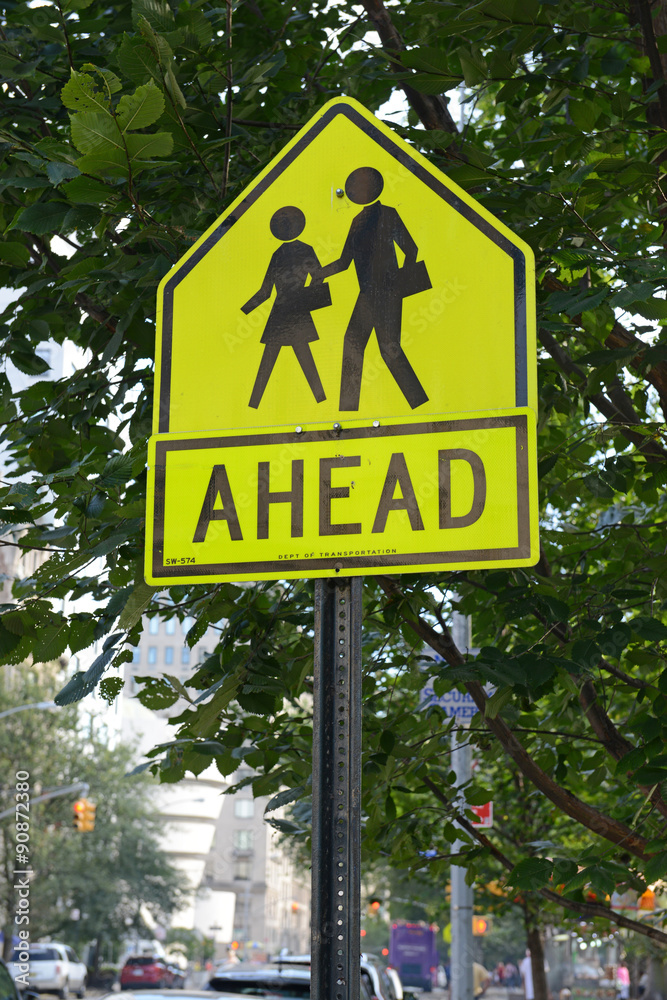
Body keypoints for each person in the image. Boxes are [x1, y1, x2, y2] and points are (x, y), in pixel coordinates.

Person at [320, 166, 431, 411]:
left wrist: (400, 283)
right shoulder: (356, 222)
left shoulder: (389, 214)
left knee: (389, 349)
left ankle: (421, 405)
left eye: (362, 185)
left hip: (388, 290)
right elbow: (344, 262)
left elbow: (410, 249)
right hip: (367, 293)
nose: (357, 190)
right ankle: (348, 411)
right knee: (352, 343)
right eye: (355, 186)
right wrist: (319, 273)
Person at [242, 205, 330, 408]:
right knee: (275, 357)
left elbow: (318, 276)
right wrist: (243, 311)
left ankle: (321, 401)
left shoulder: (296, 251)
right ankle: (254, 405)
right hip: (287, 313)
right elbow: (266, 291)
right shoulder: (281, 253)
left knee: (297, 356)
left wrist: (305, 298)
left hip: (289, 312)